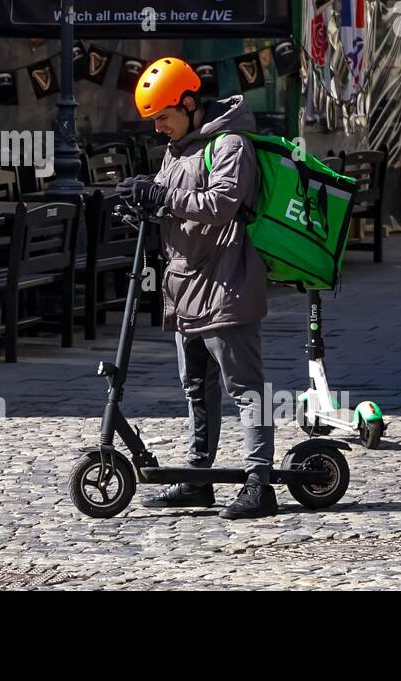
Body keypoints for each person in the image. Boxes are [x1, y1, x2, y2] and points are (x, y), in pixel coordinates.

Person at [116, 57, 275, 519]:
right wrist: (141, 203)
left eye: (163, 116)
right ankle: (196, 478)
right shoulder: (177, 148)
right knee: (195, 387)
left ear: (189, 103)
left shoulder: (230, 144)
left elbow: (222, 203)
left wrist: (163, 196)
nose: (159, 127)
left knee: (246, 388)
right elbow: (174, 205)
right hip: (184, 283)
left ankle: (260, 483)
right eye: (154, 120)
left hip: (228, 281)